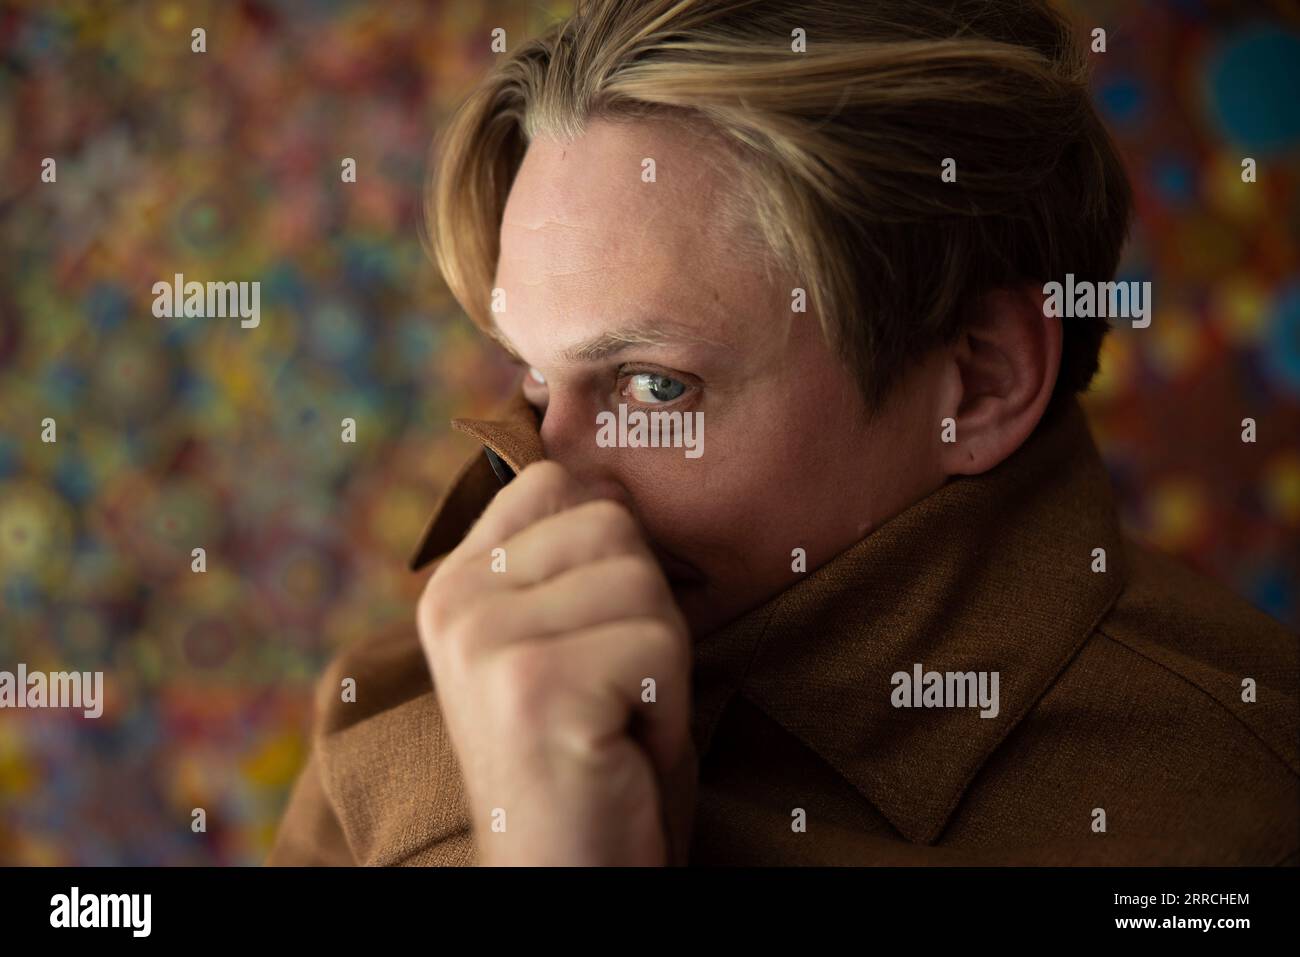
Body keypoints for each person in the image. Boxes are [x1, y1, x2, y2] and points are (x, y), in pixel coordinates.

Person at [268, 0, 1298, 866]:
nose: (544, 484)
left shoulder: (1228, 807)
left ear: (981, 381)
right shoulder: (404, 696)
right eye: (536, 382)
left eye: (656, 387)